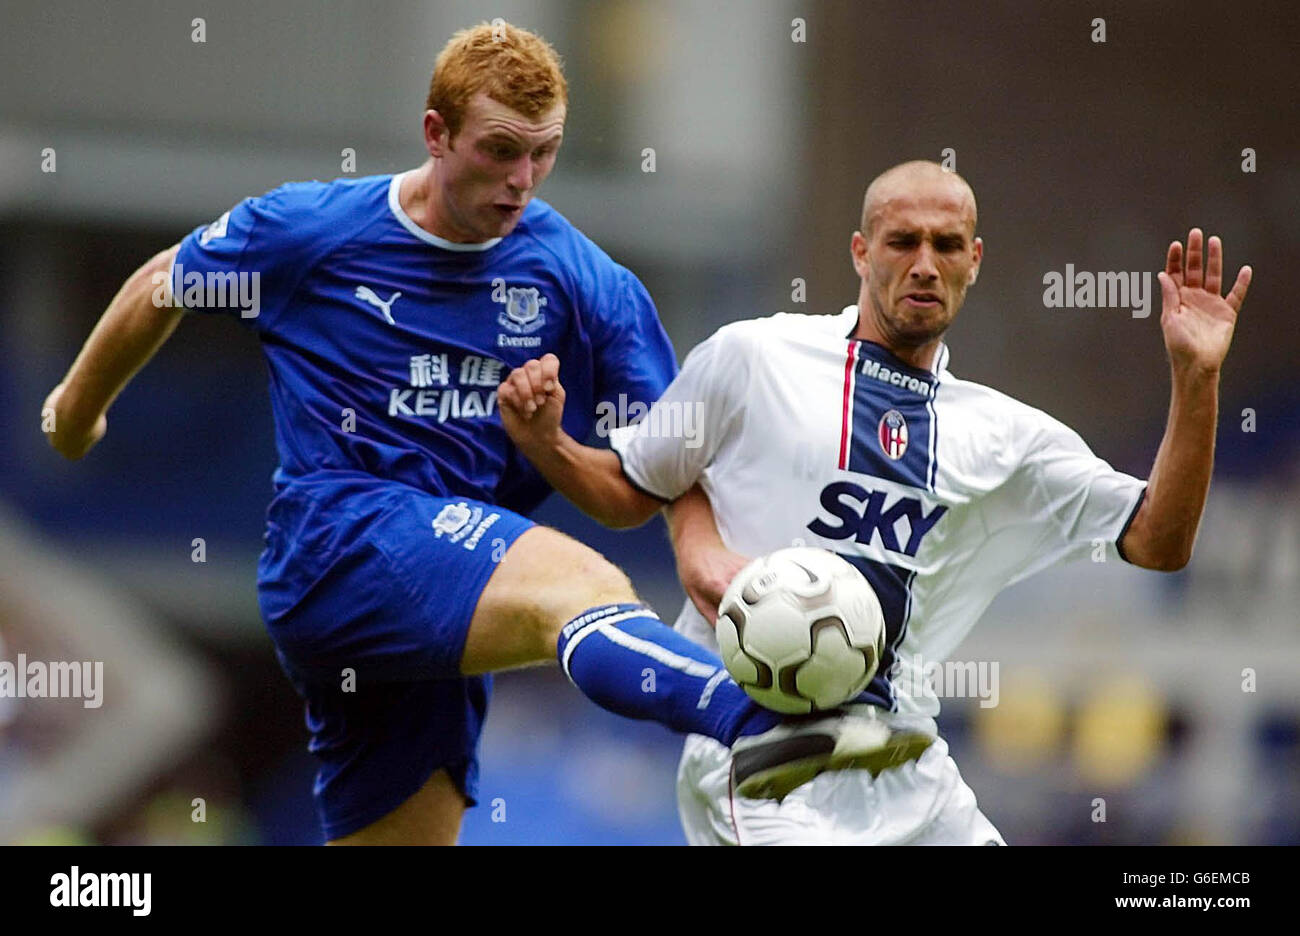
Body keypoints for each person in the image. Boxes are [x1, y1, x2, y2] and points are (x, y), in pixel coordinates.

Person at [41, 21, 898, 845]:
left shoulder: (582, 281)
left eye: (543, 153)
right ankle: (762, 724)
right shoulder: (314, 232)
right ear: (435, 133)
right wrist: (78, 410)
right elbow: (166, 283)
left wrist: (592, 476)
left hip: (443, 607)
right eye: (499, 150)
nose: (523, 178)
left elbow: (655, 470)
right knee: (579, 587)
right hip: (339, 542)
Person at [497, 160, 1252, 844]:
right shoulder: (753, 357)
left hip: (908, 763)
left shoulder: (1009, 437)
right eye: (902, 242)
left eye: (947, 245)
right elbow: (637, 489)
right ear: (861, 252)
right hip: (761, 762)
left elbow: (1161, 541)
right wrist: (550, 444)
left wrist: (1196, 382)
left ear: (974, 262)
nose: (925, 265)